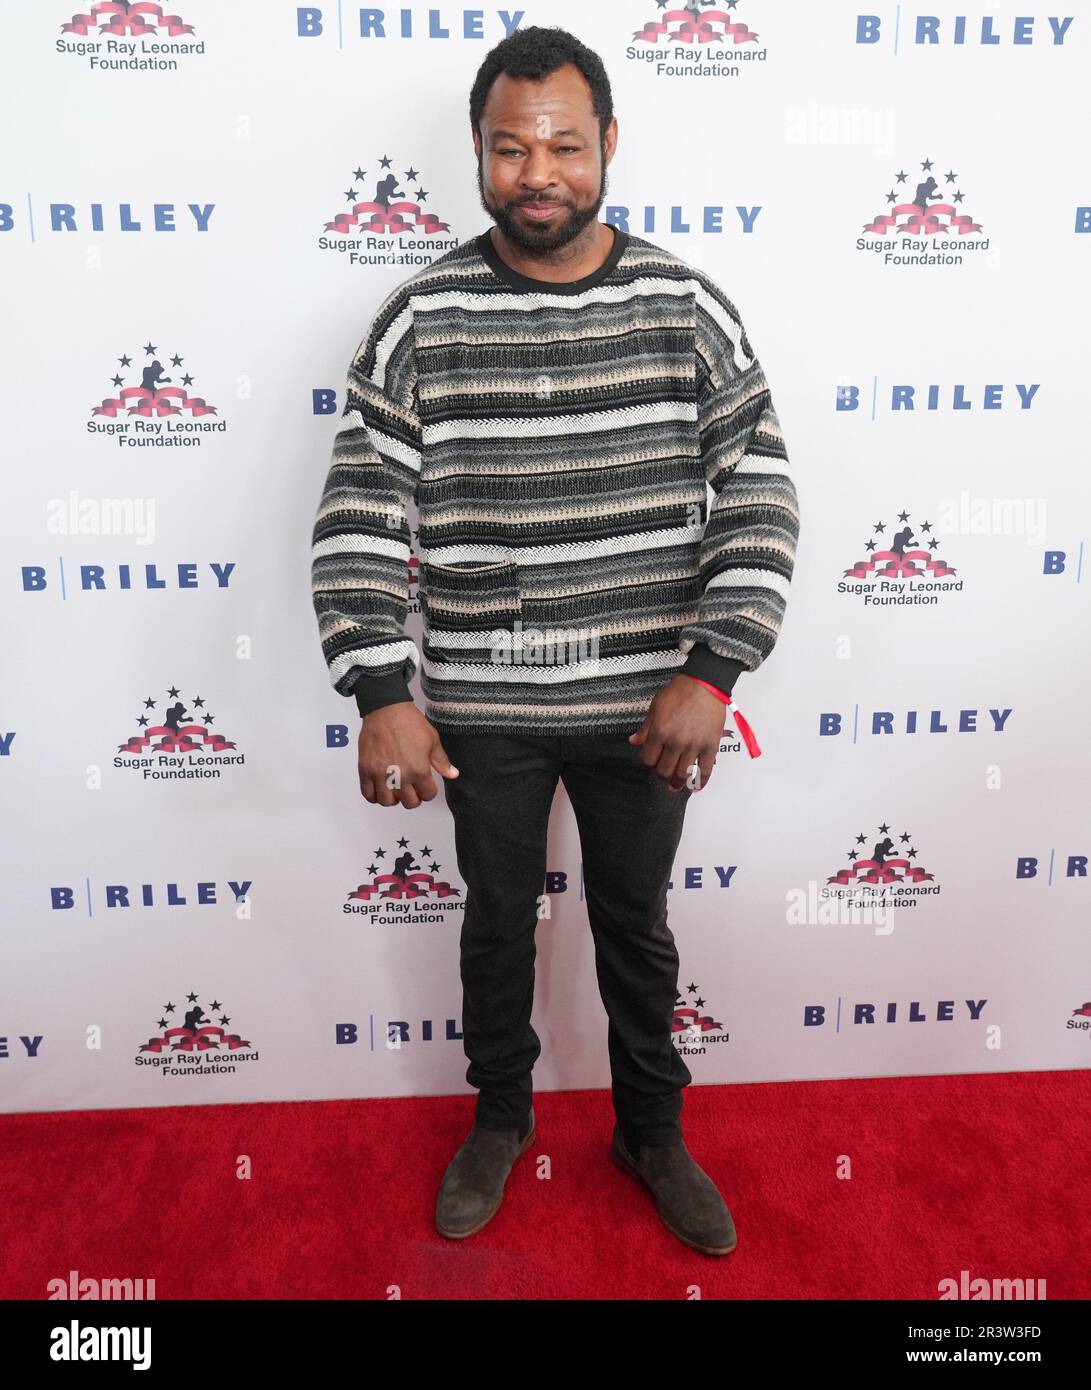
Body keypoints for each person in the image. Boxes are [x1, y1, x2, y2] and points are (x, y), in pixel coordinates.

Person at [310, 25, 799, 1257]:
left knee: (634, 923)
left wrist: (712, 667)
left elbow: (759, 492)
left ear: (608, 147)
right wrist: (380, 687)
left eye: (564, 145)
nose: (539, 171)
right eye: (509, 146)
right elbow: (361, 514)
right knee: (493, 920)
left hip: (651, 700)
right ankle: (499, 1116)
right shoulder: (418, 318)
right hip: (483, 706)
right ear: (476, 155)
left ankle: (649, 1128)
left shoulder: (683, 305)